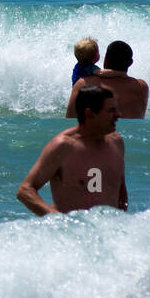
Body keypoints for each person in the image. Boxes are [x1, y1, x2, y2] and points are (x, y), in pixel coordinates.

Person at [17, 86, 127, 215]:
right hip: (73, 232)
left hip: (109, 231)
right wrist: (59, 221)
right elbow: (25, 190)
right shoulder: (63, 147)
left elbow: (121, 193)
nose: (119, 115)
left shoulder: (116, 143)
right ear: (89, 114)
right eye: (111, 111)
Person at [66, 39, 148, 119]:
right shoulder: (142, 87)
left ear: (105, 60)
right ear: (130, 63)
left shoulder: (83, 84)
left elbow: (69, 121)